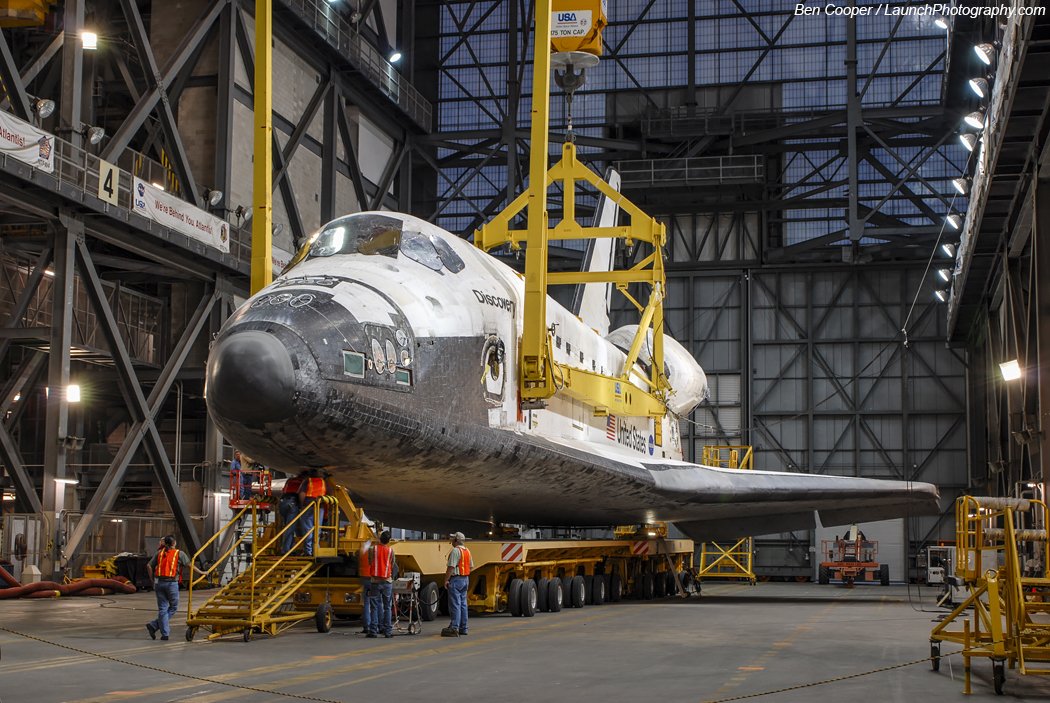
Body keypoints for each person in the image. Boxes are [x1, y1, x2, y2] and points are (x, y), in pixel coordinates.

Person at [145, 535, 203, 641]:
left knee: (162, 608)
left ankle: (162, 632)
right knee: (173, 607)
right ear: (174, 543)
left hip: (159, 583)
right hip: (171, 584)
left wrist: (152, 580)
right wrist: (202, 572)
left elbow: (149, 566)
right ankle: (154, 626)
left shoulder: (159, 553)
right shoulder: (179, 553)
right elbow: (190, 565)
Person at [442, 532, 473, 637]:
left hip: (456, 580)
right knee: (463, 604)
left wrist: (446, 580)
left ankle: (454, 628)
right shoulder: (467, 551)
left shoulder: (455, 551)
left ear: (455, 540)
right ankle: (464, 628)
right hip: (465, 579)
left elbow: (450, 567)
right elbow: (471, 566)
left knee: (455, 605)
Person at [367, 531, 396, 638]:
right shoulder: (390, 551)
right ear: (388, 541)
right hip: (387, 581)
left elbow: (370, 561)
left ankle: (373, 631)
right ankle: (387, 631)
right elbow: (392, 564)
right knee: (387, 607)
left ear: (380, 539)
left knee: (374, 607)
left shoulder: (372, 549)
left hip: (375, 581)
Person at [298, 469, 327, 557]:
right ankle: (316, 549)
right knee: (317, 529)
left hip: (308, 505)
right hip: (319, 507)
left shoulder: (307, 481)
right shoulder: (323, 482)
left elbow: (302, 494)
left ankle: (309, 551)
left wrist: (301, 506)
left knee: (308, 529)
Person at [279, 470, 308, 554]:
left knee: (287, 526)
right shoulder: (303, 482)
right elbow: (301, 494)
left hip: (283, 503)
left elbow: (283, 491)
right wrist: (303, 507)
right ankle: (286, 550)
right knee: (290, 528)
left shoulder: (290, 480)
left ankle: (290, 546)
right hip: (292, 504)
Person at [358, 536, 375, 636]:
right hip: (373, 578)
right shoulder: (375, 549)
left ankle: (366, 626)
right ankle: (376, 626)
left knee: (366, 603)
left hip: (364, 577)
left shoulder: (363, 548)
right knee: (376, 604)